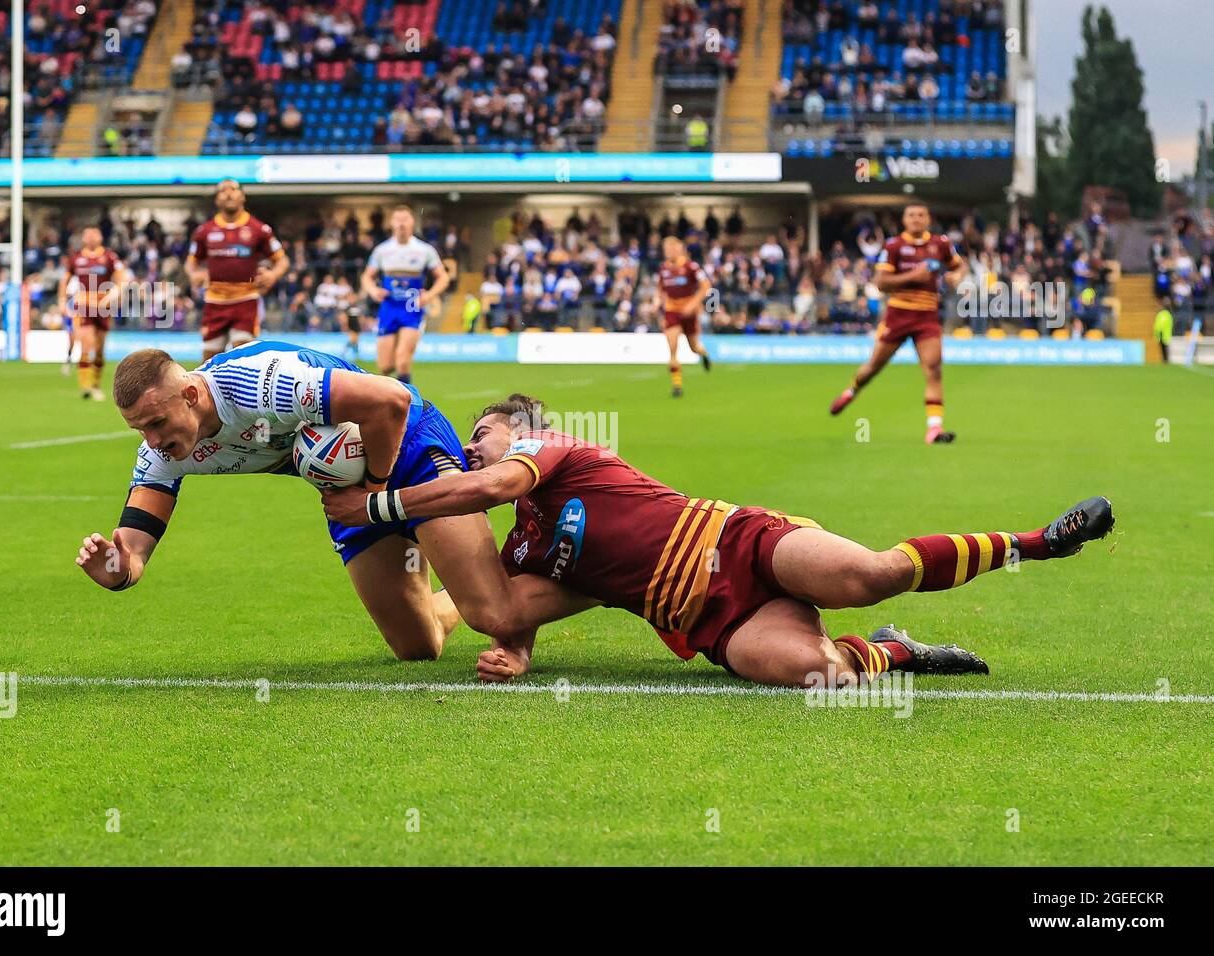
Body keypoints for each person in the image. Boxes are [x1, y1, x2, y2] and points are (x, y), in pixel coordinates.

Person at [321, 395, 1115, 687]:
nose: (473, 447)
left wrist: (380, 506)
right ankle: (895, 653)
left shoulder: (557, 450)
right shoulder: (519, 554)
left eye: (483, 433)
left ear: (524, 431)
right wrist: (516, 653)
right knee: (816, 674)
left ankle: (1041, 541)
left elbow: (491, 486)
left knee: (871, 572)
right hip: (713, 622)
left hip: (735, 543)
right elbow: (517, 610)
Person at [74, 342, 530, 663]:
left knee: (491, 614)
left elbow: (391, 399)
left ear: (191, 395)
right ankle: (460, 588)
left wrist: (373, 494)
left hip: (408, 448)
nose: (152, 442)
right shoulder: (163, 454)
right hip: (348, 489)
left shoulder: (259, 384)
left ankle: (544, 571)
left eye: (156, 422)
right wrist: (118, 571)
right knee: (419, 648)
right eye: (140, 431)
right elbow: (133, 549)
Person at [829, 203, 968, 443]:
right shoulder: (894, 246)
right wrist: (915, 276)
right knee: (873, 367)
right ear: (904, 220)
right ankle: (852, 389)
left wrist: (957, 275)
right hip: (898, 314)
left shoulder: (940, 244)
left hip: (927, 316)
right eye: (912, 215)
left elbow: (960, 264)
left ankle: (934, 428)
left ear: (928, 219)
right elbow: (881, 282)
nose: (916, 219)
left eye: (921, 215)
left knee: (934, 369)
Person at [185, 179, 290, 361]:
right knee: (209, 360)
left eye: (233, 189)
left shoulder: (259, 229)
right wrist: (194, 274)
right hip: (214, 301)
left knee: (244, 355)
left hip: (246, 299)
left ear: (243, 196)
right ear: (217, 200)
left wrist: (273, 274)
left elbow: (282, 260)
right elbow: (190, 262)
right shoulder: (204, 231)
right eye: (222, 191)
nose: (228, 193)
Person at [359, 204, 450, 384]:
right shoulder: (382, 250)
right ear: (392, 223)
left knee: (402, 360)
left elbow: (443, 278)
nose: (402, 224)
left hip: (411, 308)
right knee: (384, 366)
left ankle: (408, 405)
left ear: (412, 222)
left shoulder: (424, 250)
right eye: (398, 220)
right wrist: (373, 290)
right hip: (389, 307)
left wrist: (429, 295)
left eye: (405, 219)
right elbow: (366, 277)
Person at [59, 226, 129, 401]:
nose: (91, 237)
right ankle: (85, 387)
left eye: (94, 234)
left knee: (99, 349)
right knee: (86, 343)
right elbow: (64, 280)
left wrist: (114, 294)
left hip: (104, 305)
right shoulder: (76, 258)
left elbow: (122, 279)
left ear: (99, 237)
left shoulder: (109, 257)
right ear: (83, 238)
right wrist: (61, 300)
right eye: (87, 234)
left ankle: (96, 385)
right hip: (83, 305)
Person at [654, 236, 713, 398]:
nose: (670, 251)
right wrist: (656, 302)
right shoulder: (663, 269)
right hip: (672, 310)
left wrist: (693, 304)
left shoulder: (691, 267)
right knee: (672, 348)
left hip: (689, 311)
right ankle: (677, 385)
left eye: (673, 248)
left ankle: (704, 354)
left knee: (694, 347)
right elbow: (660, 289)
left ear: (680, 249)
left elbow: (706, 286)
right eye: (667, 249)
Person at [1154, 297, 1173, 363]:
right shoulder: (1167, 314)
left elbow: (1159, 324)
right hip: (1165, 333)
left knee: (1164, 348)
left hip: (1163, 333)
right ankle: (1165, 360)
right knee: (1164, 348)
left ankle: (1166, 360)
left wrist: (1157, 332)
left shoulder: (1163, 314)